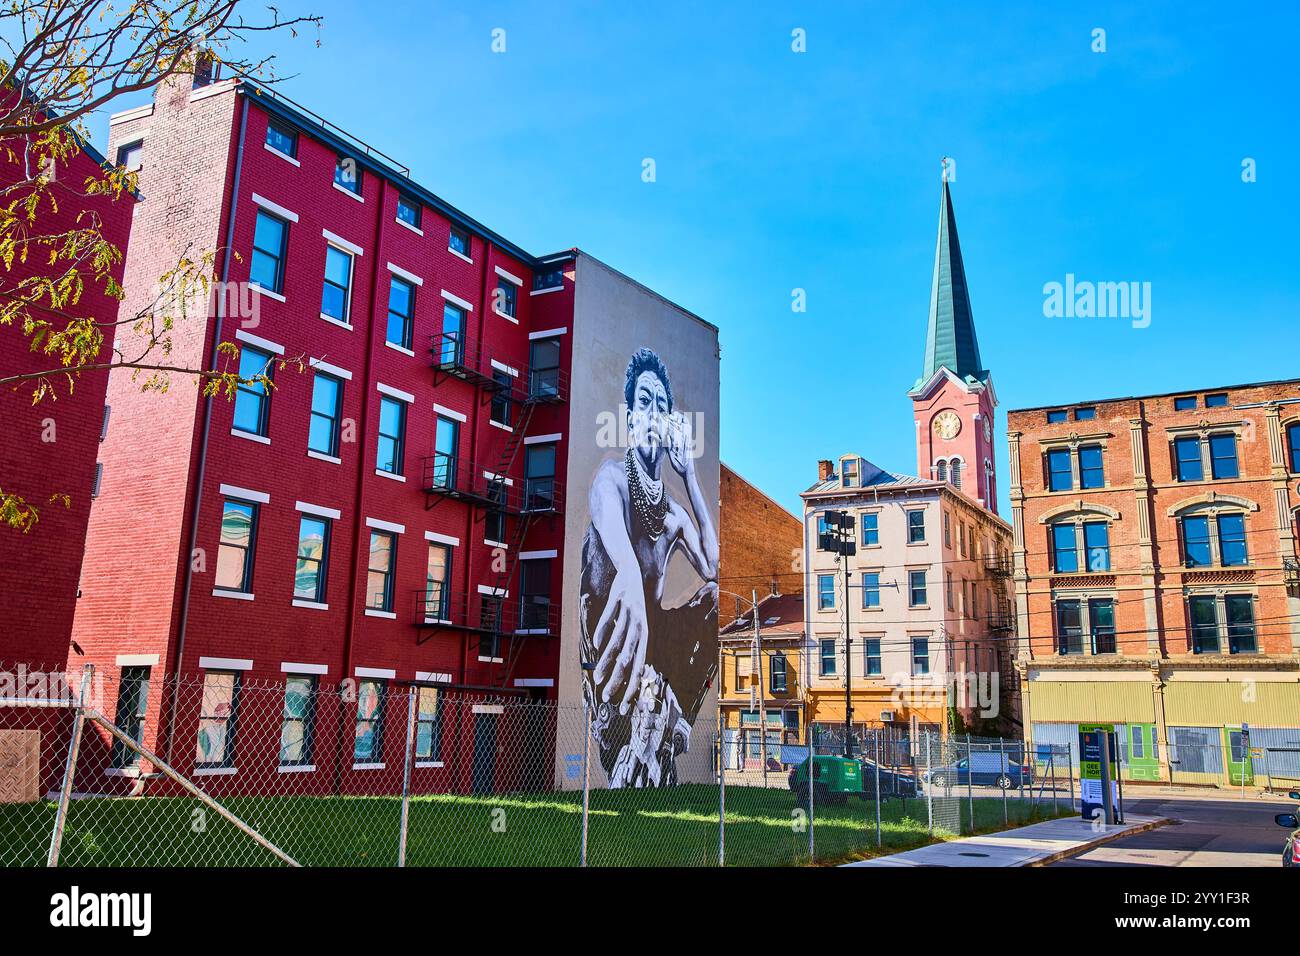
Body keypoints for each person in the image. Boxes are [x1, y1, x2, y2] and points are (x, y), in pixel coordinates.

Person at [579, 347, 717, 786]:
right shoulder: (611, 479)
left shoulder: (674, 511)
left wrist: (690, 476)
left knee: (714, 601)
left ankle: (673, 719)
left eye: (661, 405)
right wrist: (632, 576)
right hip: (608, 638)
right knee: (628, 598)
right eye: (644, 402)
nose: (652, 412)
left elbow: (712, 565)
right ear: (630, 416)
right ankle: (616, 715)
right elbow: (613, 535)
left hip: (652, 641)